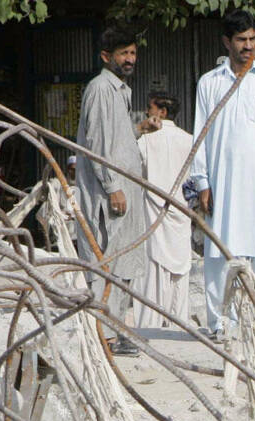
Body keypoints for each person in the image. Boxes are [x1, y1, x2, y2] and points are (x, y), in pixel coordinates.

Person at [191, 8, 255, 343]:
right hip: (222, 182)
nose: (248, 45)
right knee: (221, 250)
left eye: (253, 39)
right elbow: (199, 137)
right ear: (227, 42)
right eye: (241, 40)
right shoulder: (210, 83)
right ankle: (221, 322)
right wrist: (203, 182)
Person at [76, 24, 147, 356]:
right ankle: (103, 336)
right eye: (124, 54)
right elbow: (98, 144)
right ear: (106, 57)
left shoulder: (121, 90)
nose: (130, 59)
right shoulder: (102, 88)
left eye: (132, 52)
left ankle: (116, 331)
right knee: (108, 262)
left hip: (126, 192)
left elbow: (116, 137)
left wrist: (139, 129)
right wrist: (113, 186)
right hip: (111, 196)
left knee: (124, 264)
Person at [135, 90, 194, 328]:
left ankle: (149, 323)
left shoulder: (146, 141)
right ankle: (178, 322)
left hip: (153, 209)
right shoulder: (189, 139)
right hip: (180, 210)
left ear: (162, 112)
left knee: (153, 269)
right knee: (179, 270)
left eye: (150, 108)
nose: (148, 112)